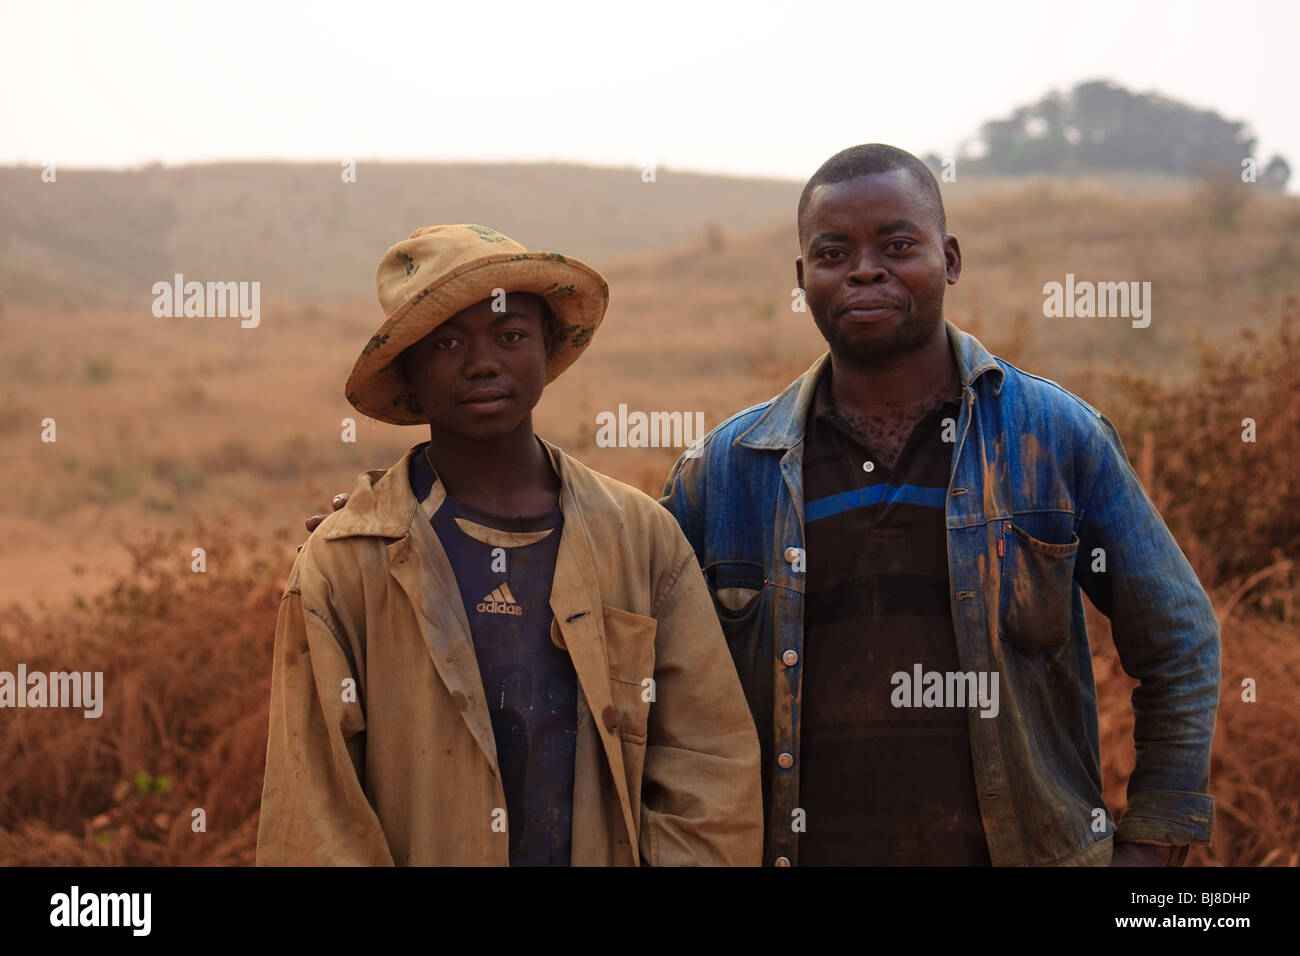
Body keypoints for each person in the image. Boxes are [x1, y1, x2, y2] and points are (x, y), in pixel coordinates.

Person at [311, 150, 1221, 867]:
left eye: (897, 245)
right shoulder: (726, 472)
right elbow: (636, 647)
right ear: (802, 277)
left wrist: (1147, 845)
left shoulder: (1052, 438)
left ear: (947, 258)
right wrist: (380, 535)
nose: (865, 272)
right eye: (834, 255)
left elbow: (1178, 642)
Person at [259, 223, 762, 866]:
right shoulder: (345, 562)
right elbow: (316, 813)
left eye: (511, 334)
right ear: (409, 371)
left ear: (548, 346)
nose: (483, 361)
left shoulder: (639, 540)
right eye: (447, 342)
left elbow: (707, 766)